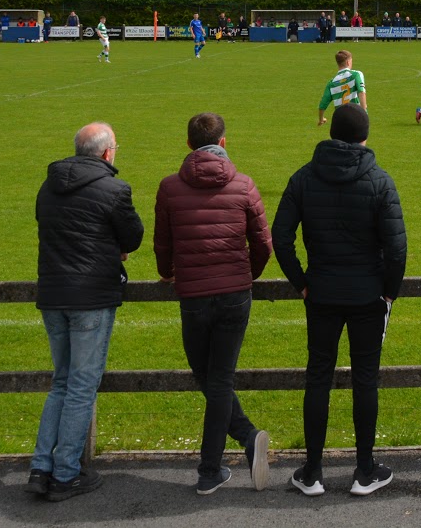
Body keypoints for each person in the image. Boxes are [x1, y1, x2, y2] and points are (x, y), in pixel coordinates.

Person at [273, 103, 407, 496]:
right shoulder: (380, 181)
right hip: (367, 295)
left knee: (318, 377)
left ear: (332, 133)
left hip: (323, 293)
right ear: (365, 137)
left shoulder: (304, 177)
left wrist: (301, 282)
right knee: (365, 380)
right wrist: (388, 292)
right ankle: (364, 470)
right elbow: (397, 249)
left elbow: (280, 237)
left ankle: (312, 470)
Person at [154, 112, 274, 494]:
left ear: (188, 144)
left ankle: (210, 469)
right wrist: (247, 274)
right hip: (234, 295)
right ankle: (247, 435)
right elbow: (263, 243)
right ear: (222, 143)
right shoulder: (243, 185)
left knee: (209, 376)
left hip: (193, 295)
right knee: (213, 377)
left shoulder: (170, 187)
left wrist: (166, 270)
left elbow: (162, 242)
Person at [27, 122, 145, 502]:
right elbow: (133, 236)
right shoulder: (113, 188)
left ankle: (41, 466)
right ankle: (65, 474)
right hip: (90, 296)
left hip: (53, 292)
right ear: (108, 152)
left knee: (61, 382)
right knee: (80, 386)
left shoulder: (49, 185)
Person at [317, 49, 366, 125]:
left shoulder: (331, 83)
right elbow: (361, 92)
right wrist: (364, 113)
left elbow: (322, 105)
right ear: (348, 62)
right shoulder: (356, 74)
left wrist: (321, 119)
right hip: (356, 116)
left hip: (339, 119)